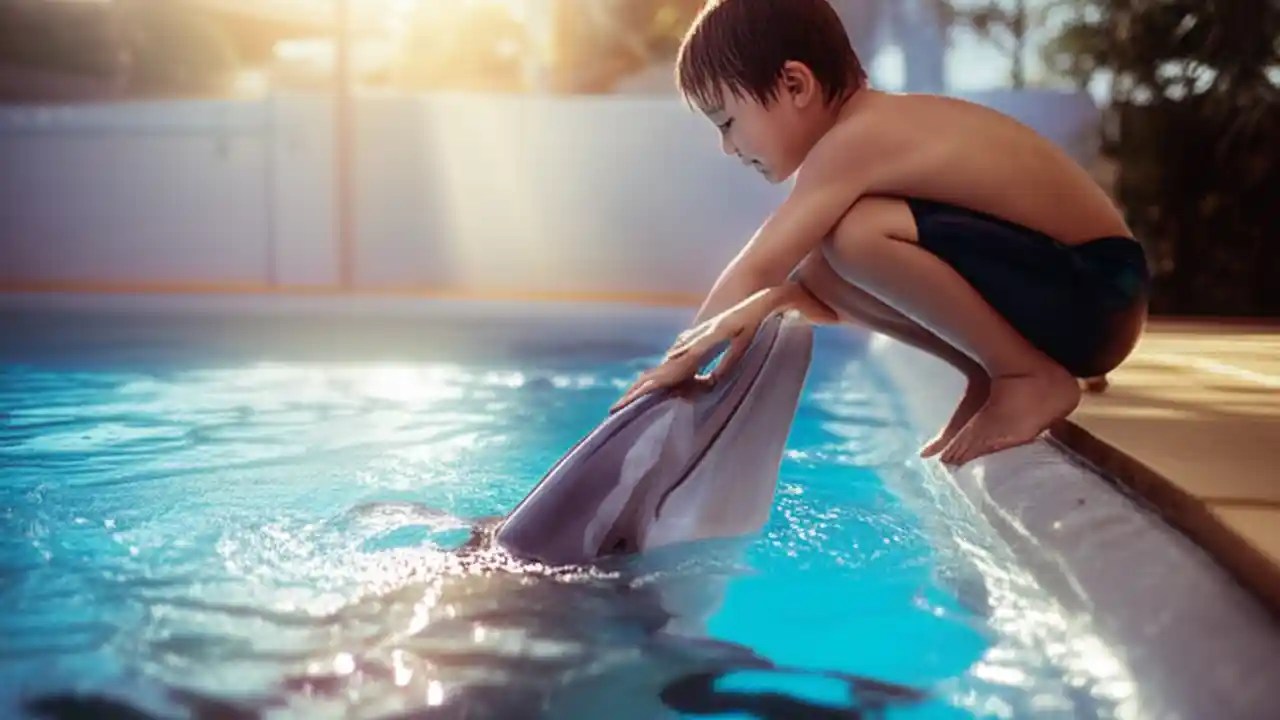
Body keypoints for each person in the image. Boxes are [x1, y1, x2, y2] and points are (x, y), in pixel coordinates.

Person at [612, 0, 1148, 466]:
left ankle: (1024, 376)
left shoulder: (856, 139)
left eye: (727, 122)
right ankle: (992, 376)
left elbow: (761, 263)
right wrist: (772, 302)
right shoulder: (866, 137)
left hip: (1098, 288)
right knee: (824, 258)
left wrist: (674, 366)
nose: (728, 147)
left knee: (855, 236)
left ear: (795, 84)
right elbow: (832, 288)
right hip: (1089, 298)